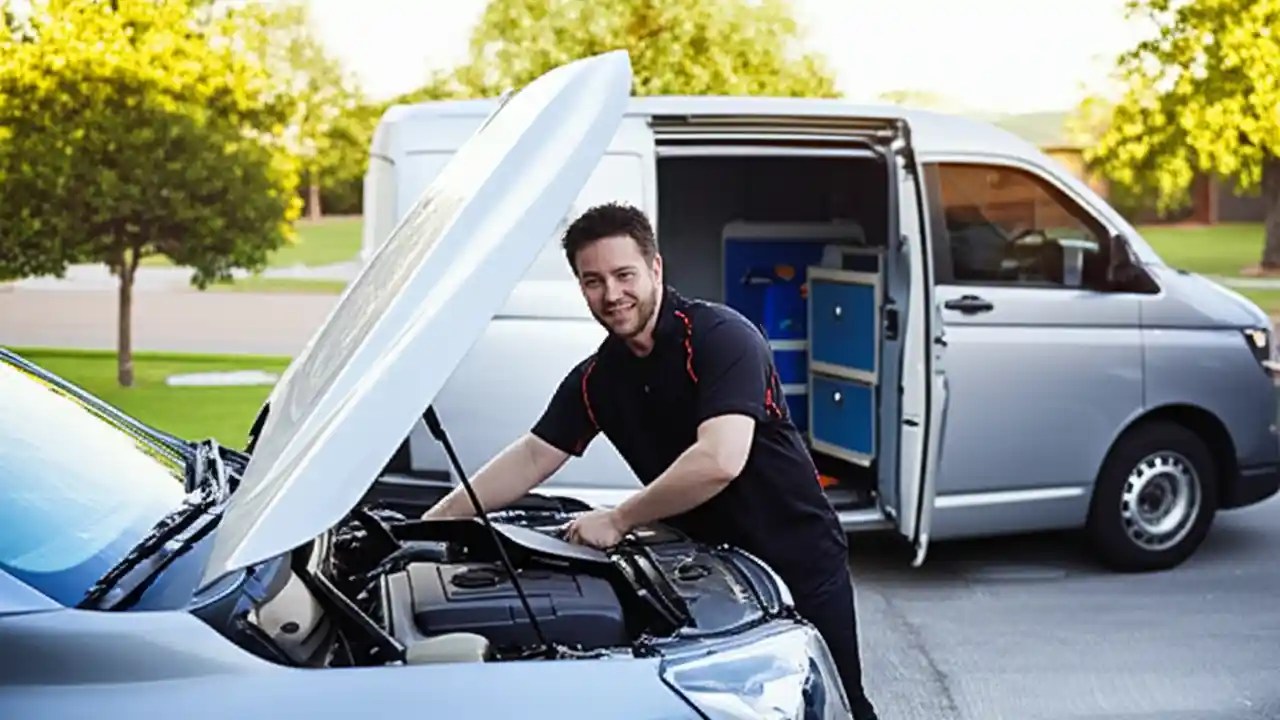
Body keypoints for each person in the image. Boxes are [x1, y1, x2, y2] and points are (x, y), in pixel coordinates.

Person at [422, 202, 879, 720]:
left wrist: (618, 519)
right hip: (709, 576)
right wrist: (434, 522)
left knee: (837, 706)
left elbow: (719, 459)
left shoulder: (721, 338)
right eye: (593, 281)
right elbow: (531, 457)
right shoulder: (597, 379)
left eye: (624, 275)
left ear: (656, 268)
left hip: (796, 559)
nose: (611, 294)